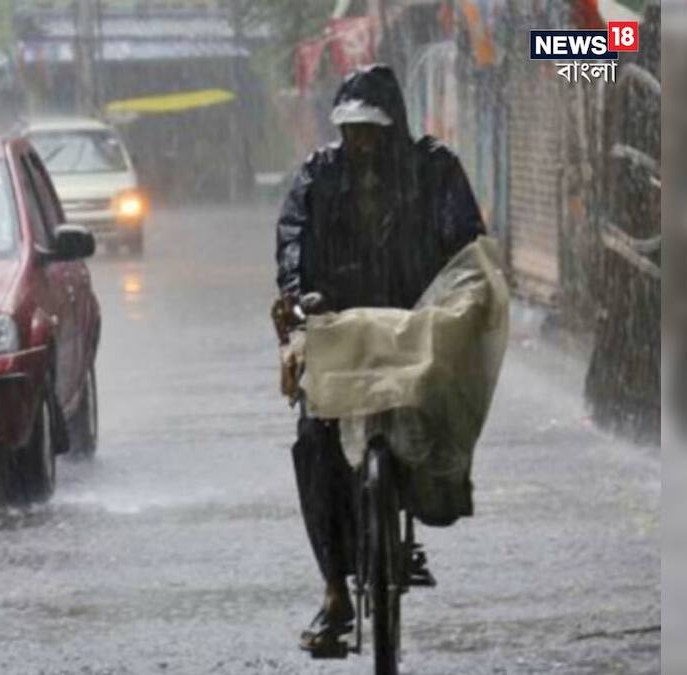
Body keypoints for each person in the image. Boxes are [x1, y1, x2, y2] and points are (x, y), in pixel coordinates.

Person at [274, 64, 486, 651]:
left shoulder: (435, 170)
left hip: (415, 325)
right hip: (339, 327)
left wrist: (463, 298)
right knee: (315, 439)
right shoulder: (318, 176)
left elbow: (466, 245)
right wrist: (299, 296)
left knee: (438, 410)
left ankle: (419, 501)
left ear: (394, 128)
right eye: (352, 130)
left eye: (372, 130)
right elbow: (292, 241)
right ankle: (334, 591)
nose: (362, 142)